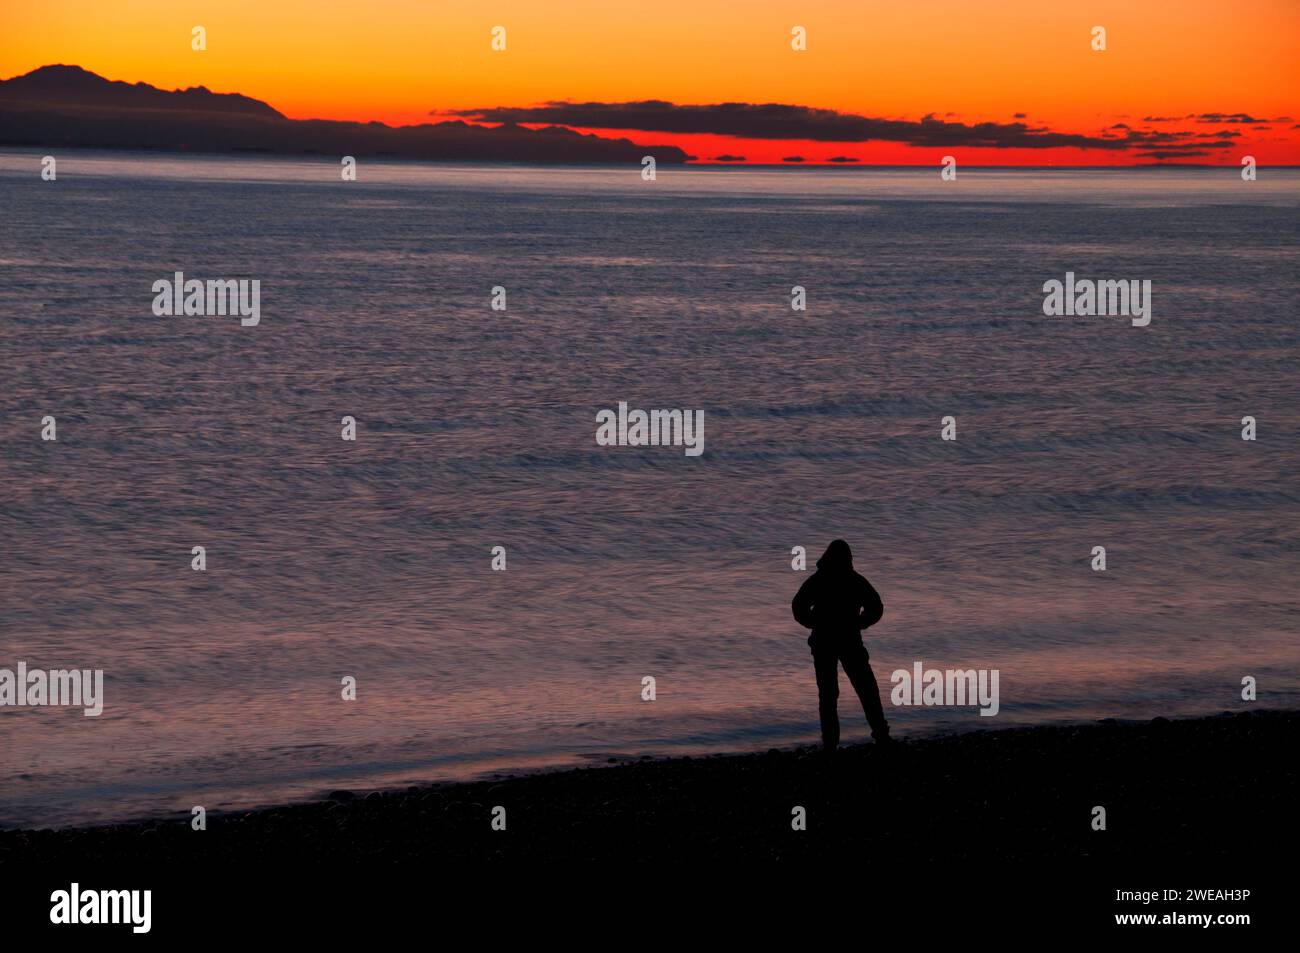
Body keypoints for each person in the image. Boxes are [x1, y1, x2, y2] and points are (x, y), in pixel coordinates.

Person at [791, 539, 891, 750]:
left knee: (832, 694)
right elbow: (876, 607)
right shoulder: (852, 580)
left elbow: (798, 607)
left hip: (828, 641)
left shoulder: (820, 580)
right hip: (844, 640)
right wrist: (859, 623)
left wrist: (816, 623)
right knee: (865, 689)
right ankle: (879, 735)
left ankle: (831, 743)